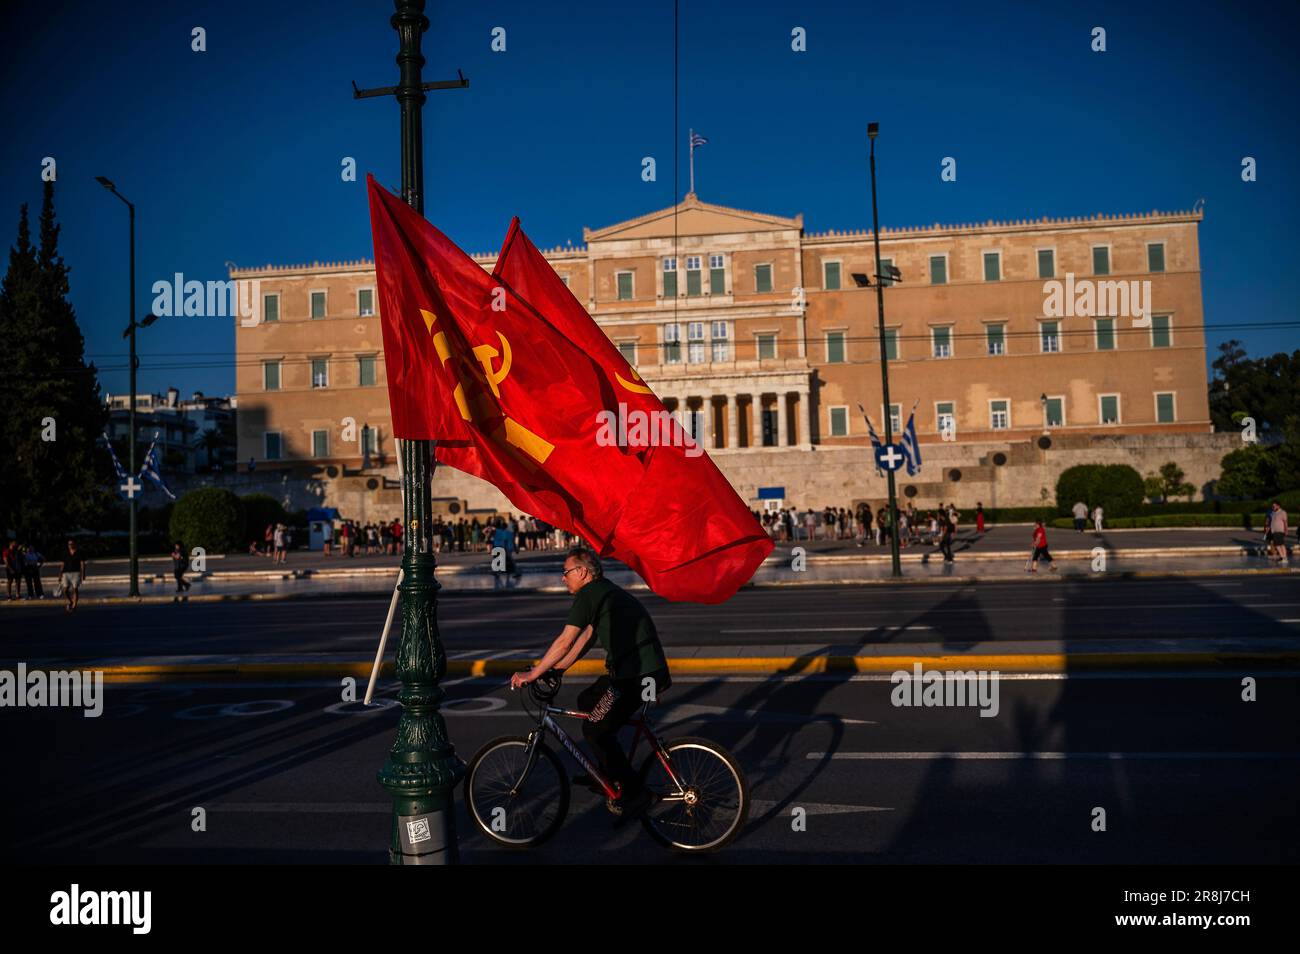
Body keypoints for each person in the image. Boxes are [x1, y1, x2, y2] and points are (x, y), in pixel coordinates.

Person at [510, 547, 670, 823]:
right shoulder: (602, 592)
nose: (563, 578)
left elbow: (565, 640)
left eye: (566, 572)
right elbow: (585, 639)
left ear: (582, 572)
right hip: (637, 671)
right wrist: (558, 670)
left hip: (636, 675)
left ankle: (636, 793)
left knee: (595, 730)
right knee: (587, 701)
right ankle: (606, 772)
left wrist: (534, 673)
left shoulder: (588, 595)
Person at [60, 539, 85, 613]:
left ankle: (74, 605)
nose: (70, 545)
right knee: (65, 590)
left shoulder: (79, 552)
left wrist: (83, 574)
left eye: (71, 544)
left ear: (75, 544)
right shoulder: (65, 553)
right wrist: (60, 574)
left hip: (76, 573)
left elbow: (82, 563)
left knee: (75, 589)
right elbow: (62, 564)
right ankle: (71, 601)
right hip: (66, 573)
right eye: (69, 544)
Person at [1266, 500, 1290, 565]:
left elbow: (1285, 522)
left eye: (1274, 506)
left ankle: (1284, 557)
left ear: (1278, 506)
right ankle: (1284, 558)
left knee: (1279, 545)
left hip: (1279, 531)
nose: (1273, 507)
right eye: (1272, 506)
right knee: (1279, 544)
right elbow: (1270, 522)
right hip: (1274, 531)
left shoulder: (1282, 512)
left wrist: (1286, 530)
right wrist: (1268, 529)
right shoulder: (1273, 513)